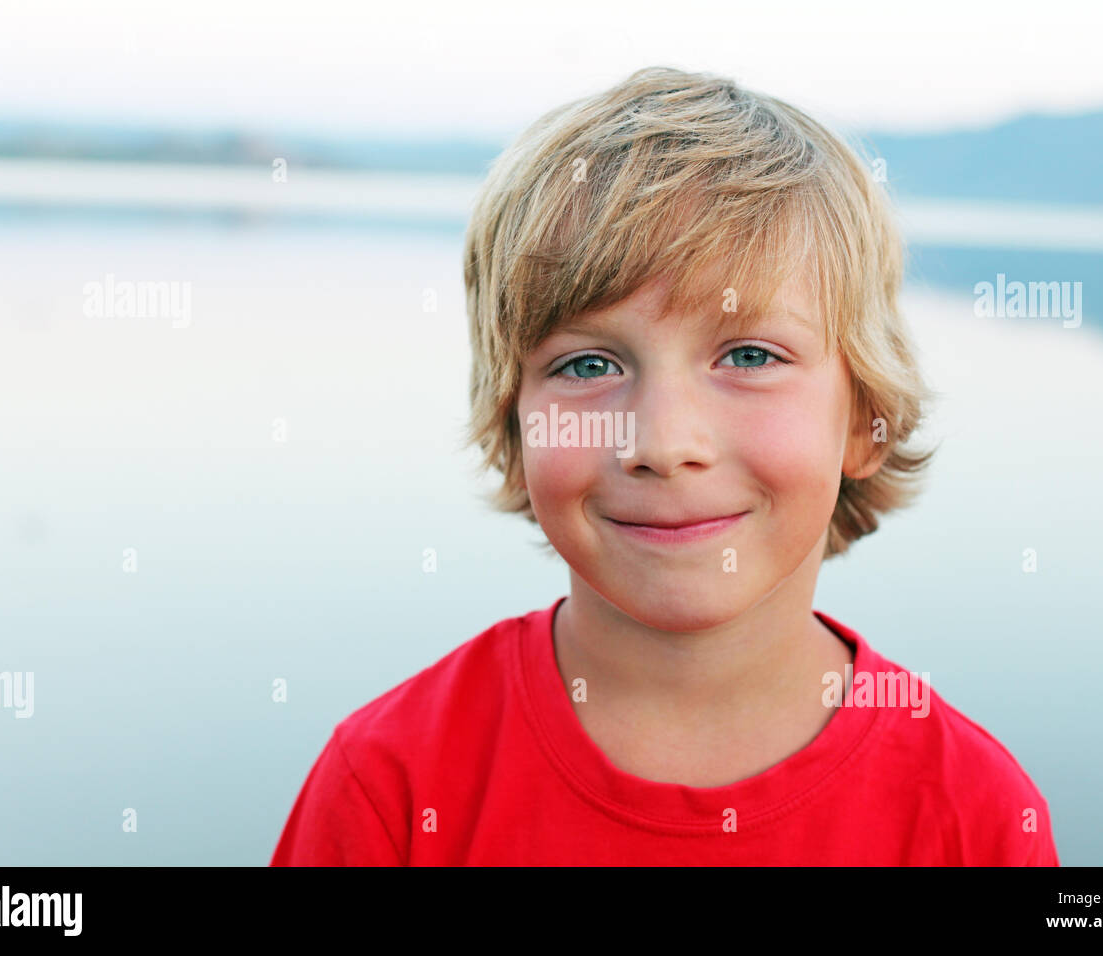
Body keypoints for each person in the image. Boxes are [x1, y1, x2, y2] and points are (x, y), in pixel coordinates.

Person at [271, 66, 1059, 865]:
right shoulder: (393, 784)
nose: (660, 442)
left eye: (750, 355)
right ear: (514, 420)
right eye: (587, 366)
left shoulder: (974, 817)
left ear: (864, 420)